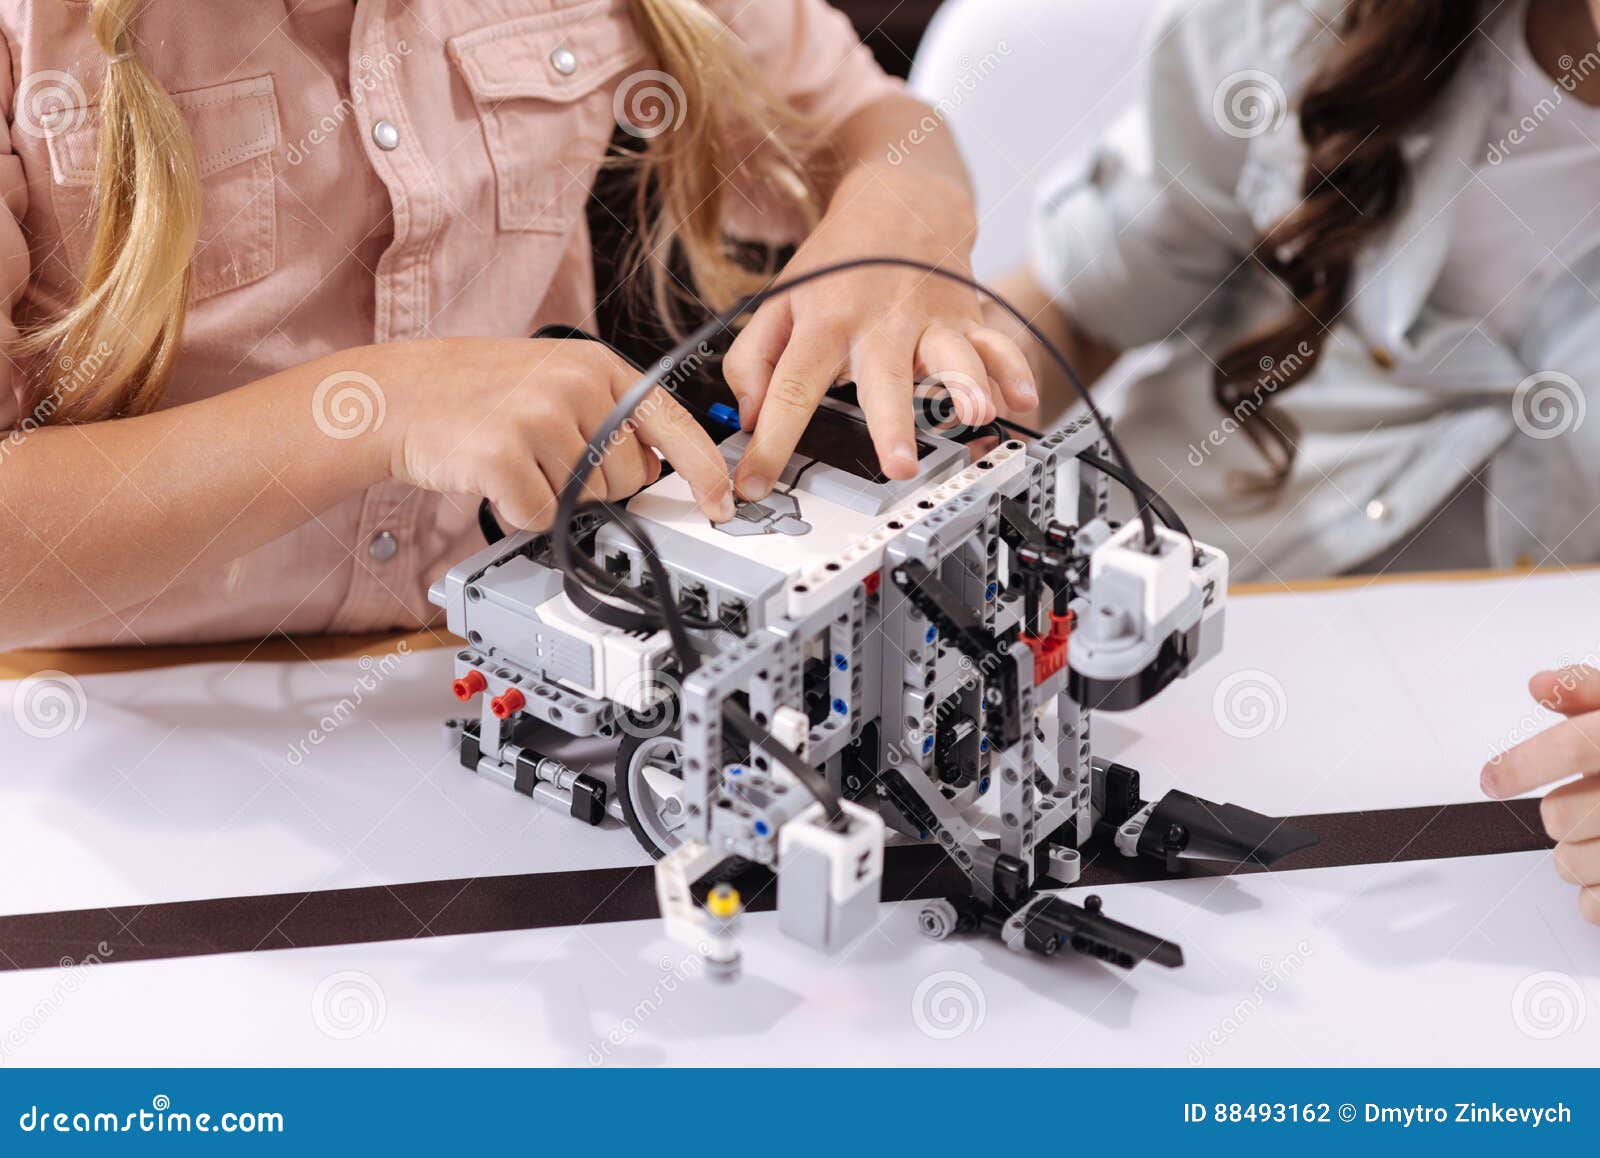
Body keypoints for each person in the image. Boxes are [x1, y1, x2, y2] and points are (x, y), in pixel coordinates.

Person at [0, 0, 1034, 650]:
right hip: (99, 709)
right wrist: (375, 412)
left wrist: (903, 223)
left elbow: (870, 118)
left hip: (505, 653)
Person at [1003, 0, 1600, 922]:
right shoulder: (1289, 23)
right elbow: (1077, 312)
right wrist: (928, 434)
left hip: (1491, 804)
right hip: (1140, 668)